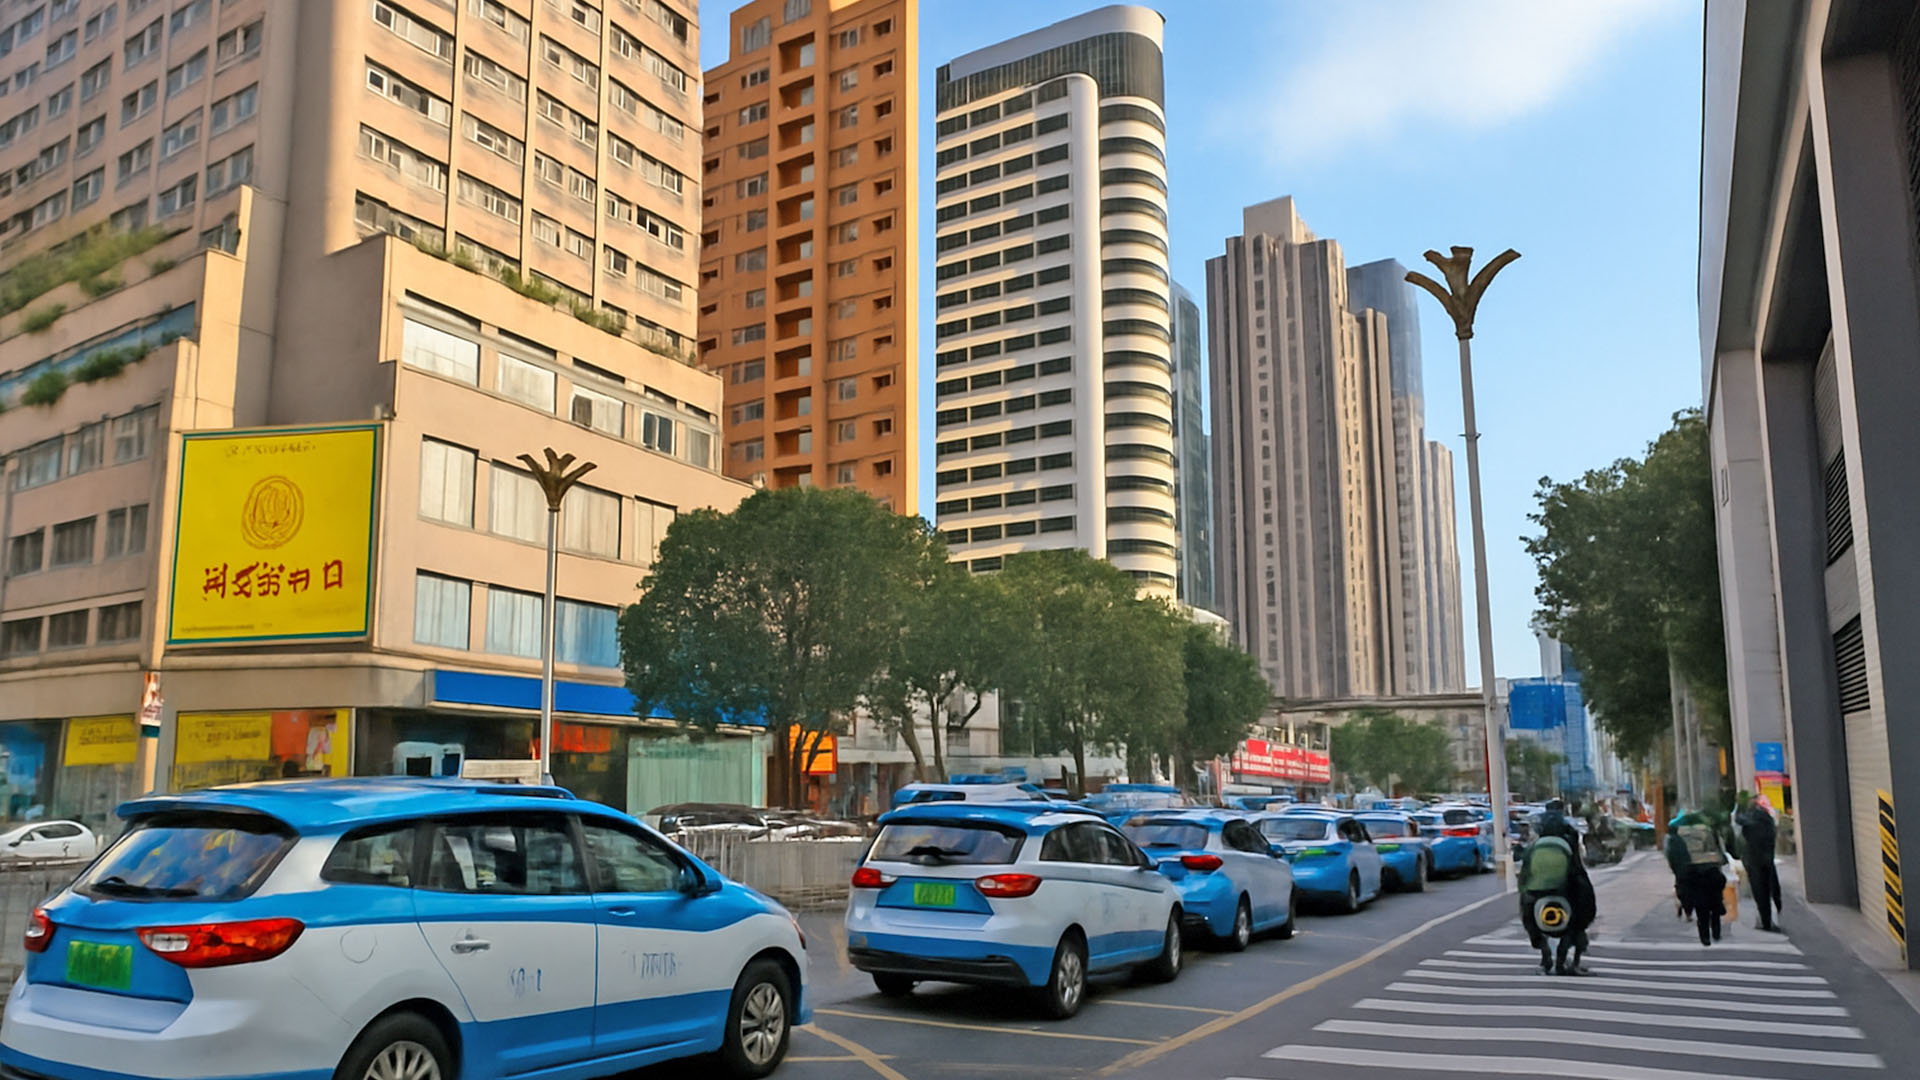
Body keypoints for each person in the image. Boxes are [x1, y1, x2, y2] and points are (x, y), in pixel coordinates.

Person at [1670, 809, 1729, 945]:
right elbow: (1714, 848)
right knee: (1715, 896)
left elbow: (1675, 854)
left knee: (1700, 905)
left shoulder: (1678, 833)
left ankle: (1704, 936)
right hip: (1709, 867)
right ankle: (1716, 928)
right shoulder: (1706, 830)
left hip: (1691, 870)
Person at [1736, 791, 1783, 932]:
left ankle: (1766, 921)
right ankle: (1773, 914)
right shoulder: (1768, 819)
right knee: (1770, 888)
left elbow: (1739, 820)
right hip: (1767, 859)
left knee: (1759, 891)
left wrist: (1740, 806)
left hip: (1754, 859)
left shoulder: (1750, 820)